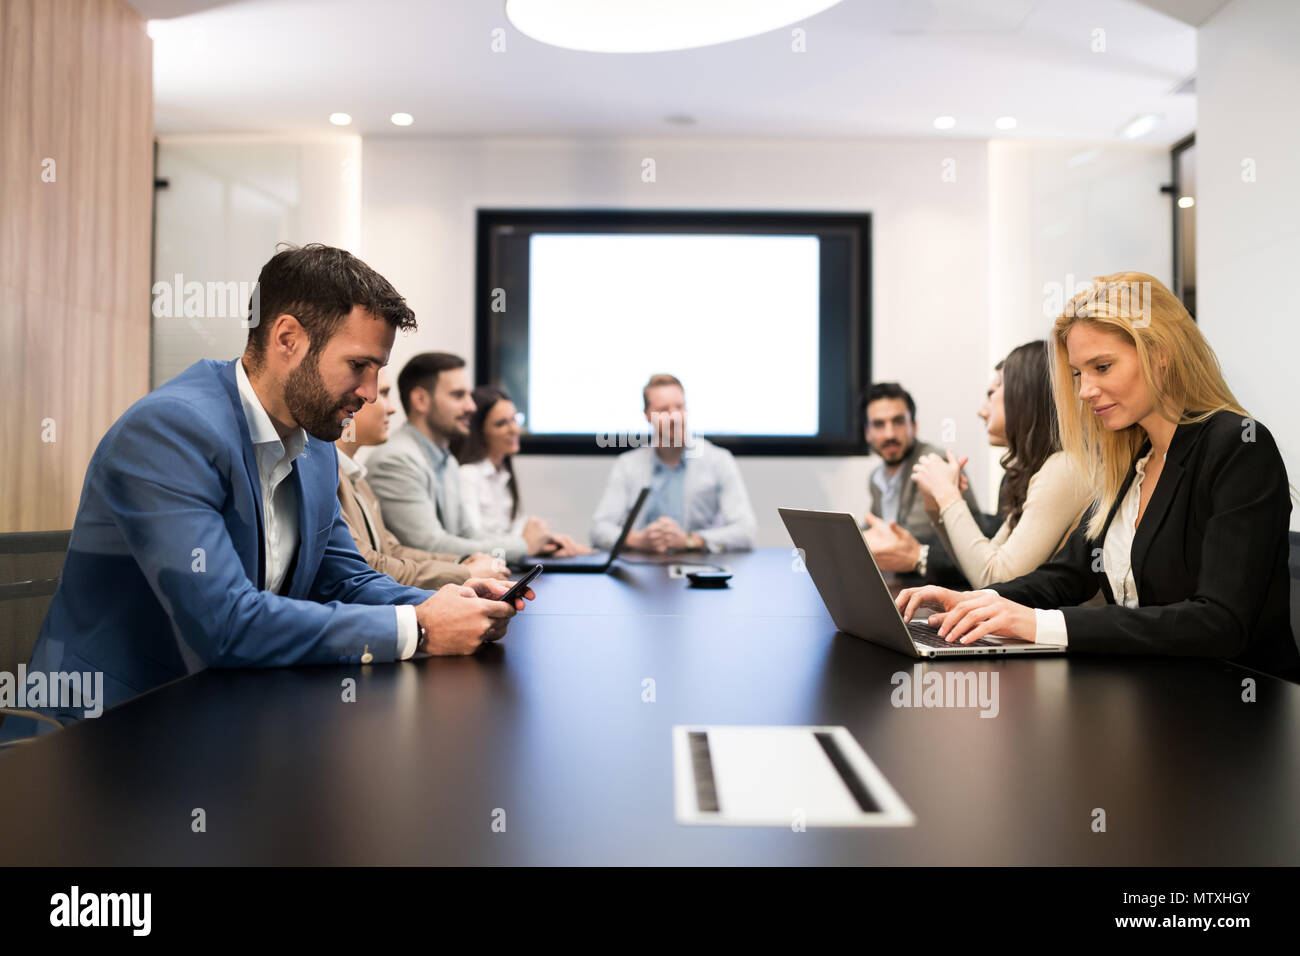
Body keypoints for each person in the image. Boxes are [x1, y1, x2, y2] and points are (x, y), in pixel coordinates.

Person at [1, 244, 530, 737]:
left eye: (378, 371)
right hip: (107, 736)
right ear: (287, 340)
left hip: (222, 713)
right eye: (358, 366)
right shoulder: (169, 432)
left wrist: (450, 604)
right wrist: (419, 627)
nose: (370, 394)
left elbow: (341, 580)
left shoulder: (315, 443)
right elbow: (226, 624)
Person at [897, 272, 1300, 682]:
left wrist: (1037, 625)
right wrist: (978, 600)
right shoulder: (1134, 456)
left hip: (1240, 709)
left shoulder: (1238, 447)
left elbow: (1220, 622)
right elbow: (1067, 575)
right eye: (1078, 374)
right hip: (1158, 695)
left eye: (1102, 367)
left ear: (1160, 353)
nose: (1085, 390)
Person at [911, 340, 1093, 589]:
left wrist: (948, 495)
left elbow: (996, 580)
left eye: (993, 391)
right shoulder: (1034, 470)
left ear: (1025, 394)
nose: (980, 410)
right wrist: (937, 507)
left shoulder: (1066, 467)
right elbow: (979, 569)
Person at [365, 353, 555, 561]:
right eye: (458, 395)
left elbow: (468, 534)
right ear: (420, 400)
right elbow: (430, 546)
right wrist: (522, 547)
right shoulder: (395, 461)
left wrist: (535, 543)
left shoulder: (447, 461)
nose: (471, 406)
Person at [336, 366, 508, 586]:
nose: (392, 409)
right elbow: (369, 565)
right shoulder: (388, 461)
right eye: (385, 394)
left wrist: (463, 562)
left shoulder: (357, 475)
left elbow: (392, 550)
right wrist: (464, 572)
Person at [591, 374, 756, 553]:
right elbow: (599, 529)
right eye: (663, 410)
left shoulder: (718, 460)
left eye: (679, 407)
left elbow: (746, 531)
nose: (674, 417)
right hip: (641, 569)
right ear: (647, 415)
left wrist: (690, 540)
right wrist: (638, 540)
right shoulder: (627, 465)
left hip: (698, 569)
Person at [860, 382, 982, 586]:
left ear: (913, 426)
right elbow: (874, 534)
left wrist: (857, 542)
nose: (889, 434)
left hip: (949, 587)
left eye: (898, 422)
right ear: (867, 432)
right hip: (907, 585)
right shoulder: (876, 478)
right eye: (879, 424)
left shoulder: (932, 464)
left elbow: (908, 542)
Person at [455, 385, 591, 556]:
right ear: (480, 433)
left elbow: (510, 533)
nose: (514, 430)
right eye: (501, 423)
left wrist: (545, 541)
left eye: (514, 420)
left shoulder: (502, 474)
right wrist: (526, 544)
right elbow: (473, 541)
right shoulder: (468, 476)